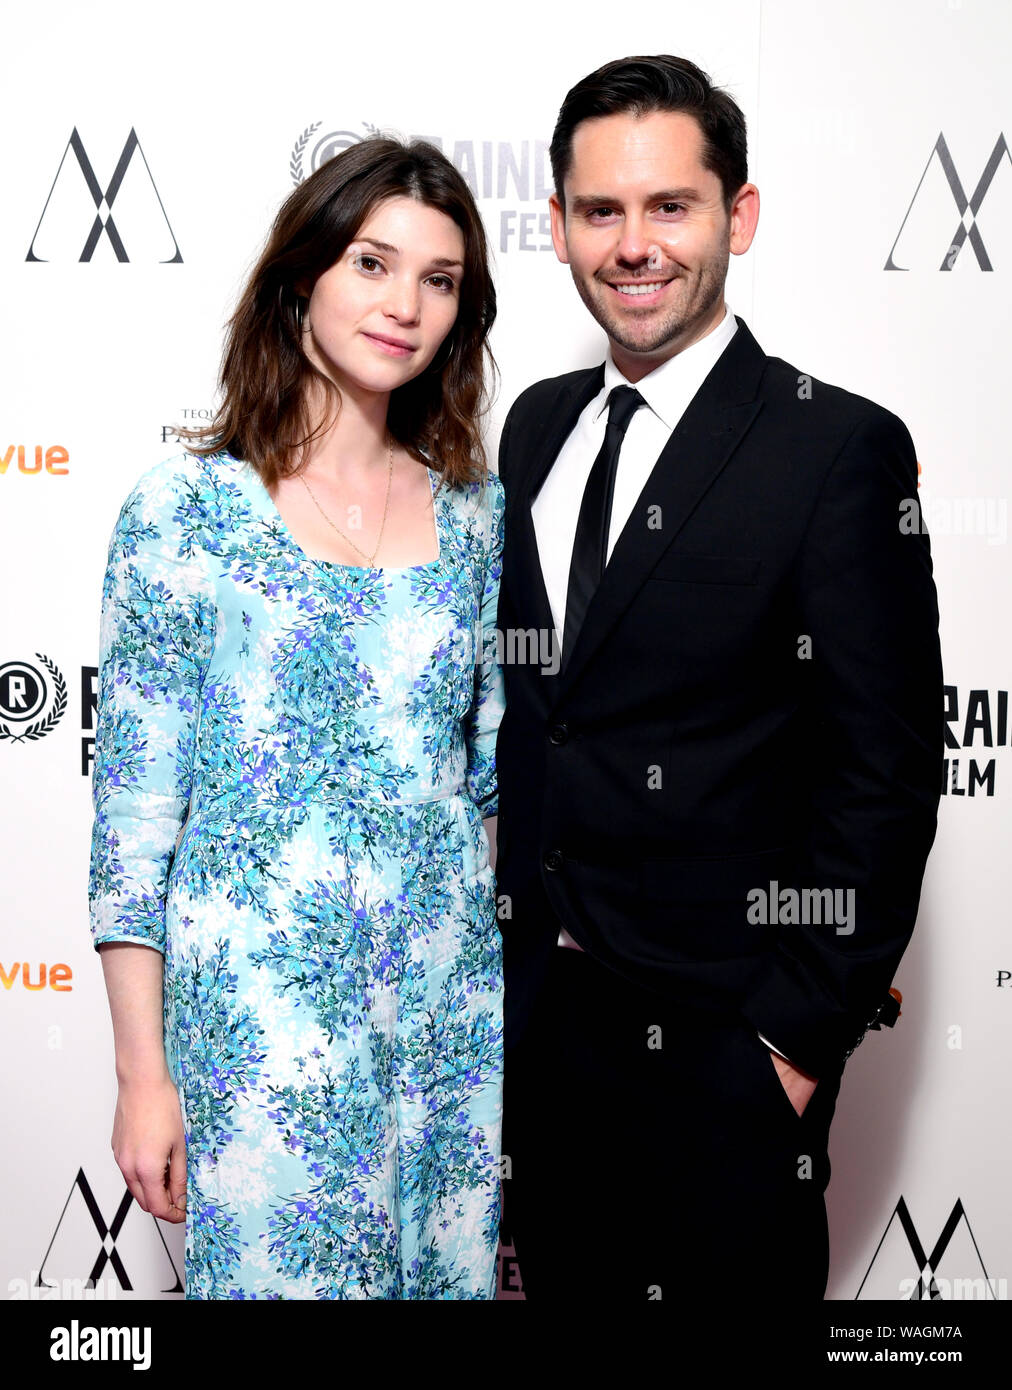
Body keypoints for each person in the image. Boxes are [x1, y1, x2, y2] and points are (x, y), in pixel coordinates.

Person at [495, 55, 943, 1300]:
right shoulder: (534, 425)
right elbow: (551, 712)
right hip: (538, 1035)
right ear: (561, 228)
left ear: (736, 217)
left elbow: (887, 769)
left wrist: (788, 1043)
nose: (634, 245)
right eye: (601, 211)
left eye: (670, 207)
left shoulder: (833, 446)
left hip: (720, 1050)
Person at [88, 136, 505, 1300]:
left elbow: (488, 778)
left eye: (439, 280)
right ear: (303, 277)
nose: (404, 305)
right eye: (373, 264)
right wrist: (142, 1075)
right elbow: (133, 820)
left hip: (445, 1015)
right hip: (263, 1018)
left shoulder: (478, 519)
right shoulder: (186, 507)